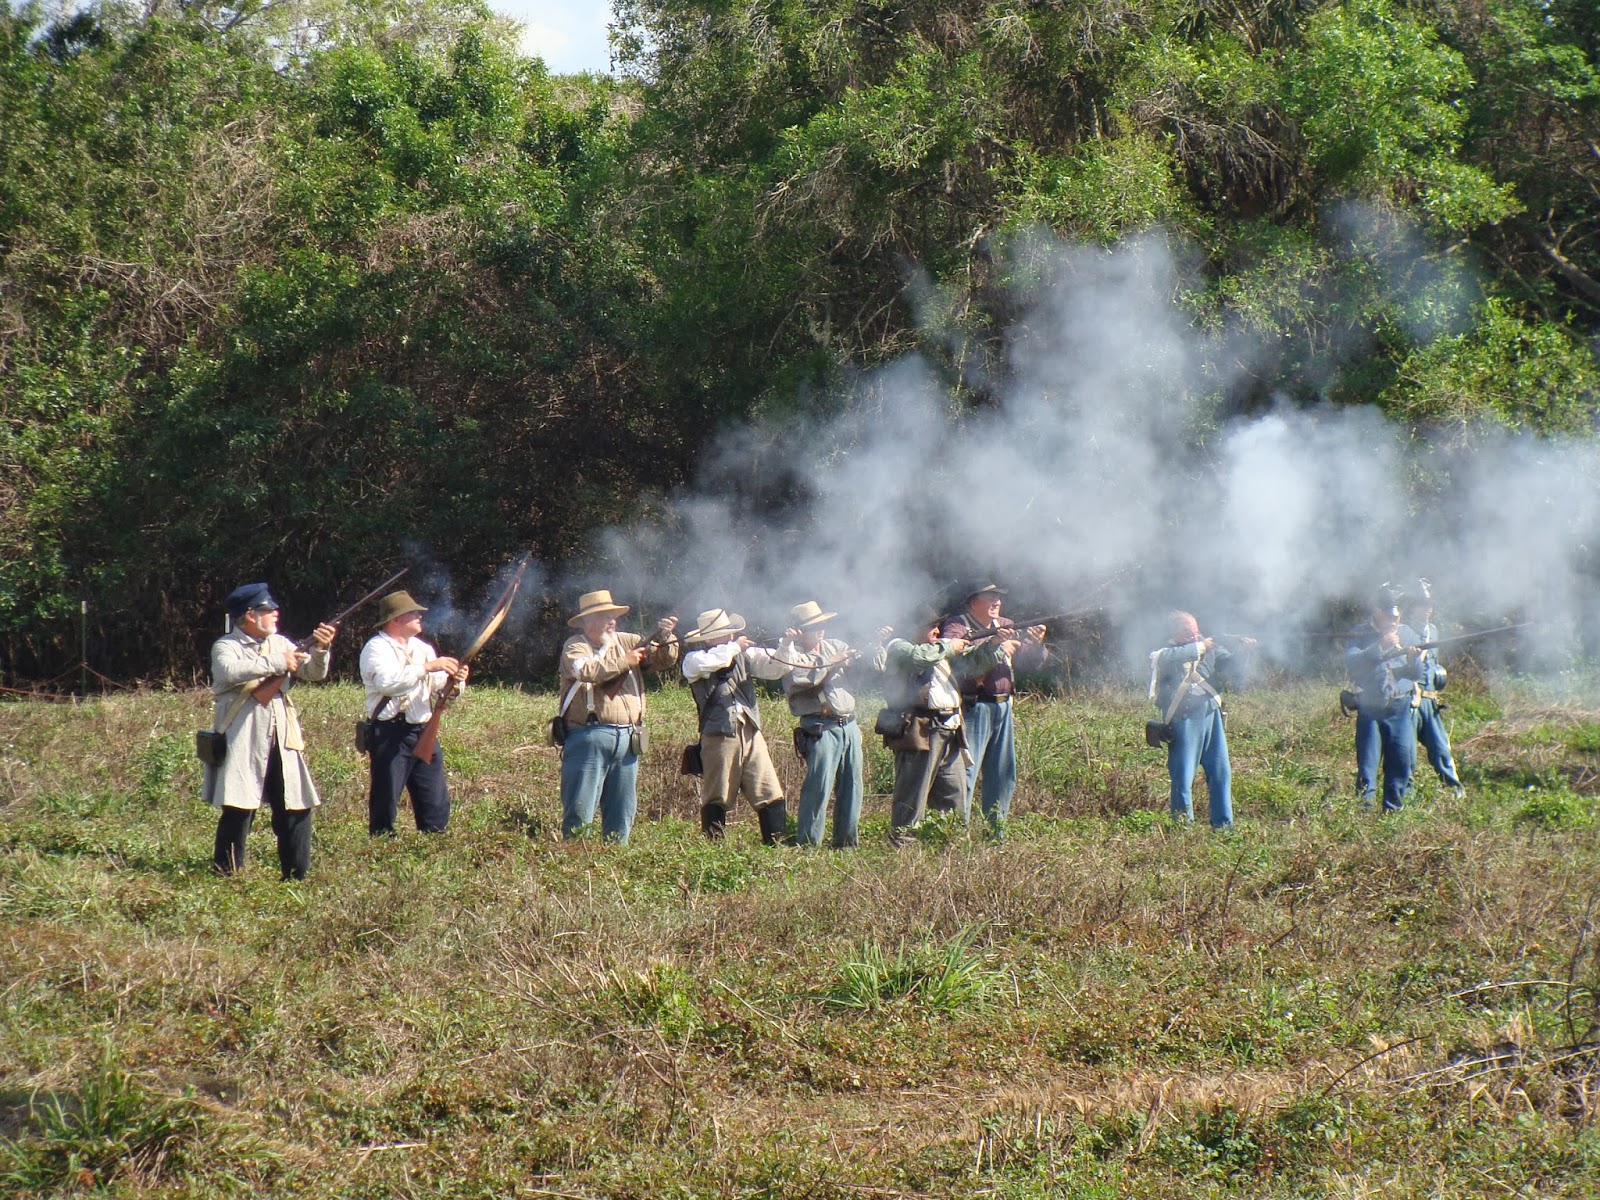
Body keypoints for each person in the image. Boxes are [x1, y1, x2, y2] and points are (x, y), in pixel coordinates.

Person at [204, 582, 336, 880]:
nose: (276, 613)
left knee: (295, 803)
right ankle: (227, 873)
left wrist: (321, 650)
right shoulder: (226, 645)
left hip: (281, 732)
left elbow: (314, 674)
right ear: (250, 615)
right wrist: (279, 662)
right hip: (243, 734)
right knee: (239, 806)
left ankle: (296, 875)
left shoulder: (281, 642)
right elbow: (229, 671)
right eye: (268, 609)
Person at [556, 590, 679, 843]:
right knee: (580, 809)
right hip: (587, 736)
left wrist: (666, 636)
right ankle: (575, 859)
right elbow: (586, 671)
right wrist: (625, 661)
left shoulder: (628, 640)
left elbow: (664, 659)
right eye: (603, 616)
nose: (612, 621)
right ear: (585, 622)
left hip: (629, 738)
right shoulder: (576, 646)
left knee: (622, 810)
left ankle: (614, 858)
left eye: (613, 616)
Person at [879, 606, 1006, 845]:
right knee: (912, 797)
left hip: (950, 728)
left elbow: (974, 666)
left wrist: (993, 645)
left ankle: (949, 849)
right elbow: (919, 658)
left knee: (953, 795)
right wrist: (949, 646)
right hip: (920, 728)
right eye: (931, 627)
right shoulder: (899, 648)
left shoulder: (938, 651)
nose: (937, 631)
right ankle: (903, 848)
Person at [940, 581, 1048, 836]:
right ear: (972, 602)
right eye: (990, 597)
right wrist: (996, 646)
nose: (996, 602)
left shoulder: (1006, 624)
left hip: (1003, 706)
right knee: (966, 772)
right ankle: (957, 832)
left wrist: (1036, 644)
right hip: (974, 706)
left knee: (1002, 774)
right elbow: (959, 661)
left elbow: (1029, 664)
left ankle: (995, 831)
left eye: (998, 597)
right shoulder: (958, 626)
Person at [360, 590, 467, 836]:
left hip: (422, 729)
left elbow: (439, 684)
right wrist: (428, 667)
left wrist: (456, 679)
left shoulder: (422, 648)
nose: (419, 616)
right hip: (390, 731)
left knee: (434, 798)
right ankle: (381, 842)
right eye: (412, 613)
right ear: (395, 619)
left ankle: (434, 837)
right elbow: (388, 683)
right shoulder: (376, 648)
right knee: (386, 797)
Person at [681, 608, 789, 843]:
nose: (730, 636)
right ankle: (713, 849)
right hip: (718, 734)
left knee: (769, 790)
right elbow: (716, 660)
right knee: (716, 795)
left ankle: (776, 846)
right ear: (708, 639)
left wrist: (787, 644)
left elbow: (777, 667)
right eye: (724, 633)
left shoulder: (742, 654)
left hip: (750, 731)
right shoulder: (694, 660)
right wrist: (735, 647)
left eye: (731, 633)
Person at [1148, 612, 1251, 829]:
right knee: (1183, 777)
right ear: (1174, 633)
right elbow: (1167, 657)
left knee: (1221, 773)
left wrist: (1243, 652)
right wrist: (1203, 645)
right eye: (1188, 632)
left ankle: (1223, 827)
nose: (1195, 636)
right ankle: (1182, 827)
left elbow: (1230, 668)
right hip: (1183, 718)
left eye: (1196, 632)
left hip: (1211, 716)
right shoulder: (1165, 652)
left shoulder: (1206, 647)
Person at [776, 601, 863, 849]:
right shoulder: (792, 656)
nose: (821, 630)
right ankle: (808, 844)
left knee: (853, 787)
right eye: (814, 627)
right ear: (798, 631)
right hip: (820, 726)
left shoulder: (836, 646)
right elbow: (799, 679)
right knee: (818, 787)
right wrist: (832, 661)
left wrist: (862, 654)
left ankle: (847, 844)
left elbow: (866, 670)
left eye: (822, 625)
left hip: (848, 724)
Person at [1345, 585, 1424, 813]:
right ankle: (1364, 811)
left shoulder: (1408, 633)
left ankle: (1393, 812)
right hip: (1370, 707)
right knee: (1368, 766)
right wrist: (1380, 646)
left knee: (1400, 763)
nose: (1393, 619)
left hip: (1399, 707)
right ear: (1377, 611)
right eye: (1389, 614)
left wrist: (1412, 660)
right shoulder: (1359, 634)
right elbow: (1353, 664)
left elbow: (1417, 674)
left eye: (1396, 615)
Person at [1403, 579, 1465, 796]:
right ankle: (1405, 797)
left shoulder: (1434, 631)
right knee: (1407, 754)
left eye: (1429, 603)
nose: (1427, 608)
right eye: (1422, 603)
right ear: (1412, 606)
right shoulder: (1403, 631)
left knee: (1441, 749)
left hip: (1430, 700)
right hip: (1410, 701)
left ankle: (1456, 792)